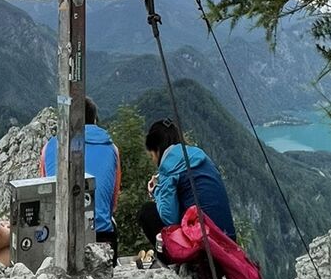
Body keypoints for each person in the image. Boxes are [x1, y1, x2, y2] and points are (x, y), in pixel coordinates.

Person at [40, 98, 122, 264]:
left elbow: (46, 199)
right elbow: (113, 205)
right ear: (94, 120)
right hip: (102, 238)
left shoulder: (49, 148)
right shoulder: (112, 149)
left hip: (59, 239)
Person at [138, 117, 236, 255]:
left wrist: (156, 191)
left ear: (157, 149)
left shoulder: (168, 167)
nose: (153, 160)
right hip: (228, 240)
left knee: (147, 211)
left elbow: (169, 218)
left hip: (204, 248)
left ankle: (178, 265)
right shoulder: (200, 156)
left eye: (152, 155)